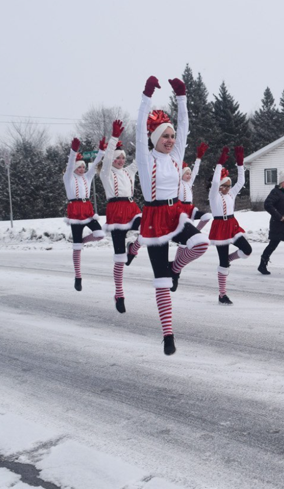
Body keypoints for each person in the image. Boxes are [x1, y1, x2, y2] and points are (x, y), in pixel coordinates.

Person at [135, 75, 209, 355]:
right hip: (154, 217)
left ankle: (175, 267)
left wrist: (182, 97)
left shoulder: (176, 157)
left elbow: (184, 127)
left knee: (200, 243)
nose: (170, 140)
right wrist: (146, 96)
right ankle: (168, 335)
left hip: (175, 213)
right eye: (164, 136)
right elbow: (139, 130)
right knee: (161, 282)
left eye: (171, 136)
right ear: (155, 138)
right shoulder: (146, 159)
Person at [100, 120, 142, 313]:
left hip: (131, 208)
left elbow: (140, 160)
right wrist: (114, 138)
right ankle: (119, 293)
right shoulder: (106, 173)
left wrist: (145, 139)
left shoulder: (128, 172)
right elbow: (107, 157)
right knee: (118, 257)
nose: (120, 160)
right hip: (116, 211)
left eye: (123, 158)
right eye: (118, 158)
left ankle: (133, 248)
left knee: (148, 228)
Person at [208, 146, 252, 305]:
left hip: (232, 225)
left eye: (228, 185)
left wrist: (240, 164)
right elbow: (214, 182)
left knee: (247, 250)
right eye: (224, 185)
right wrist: (219, 164)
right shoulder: (214, 196)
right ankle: (222, 294)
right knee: (223, 265)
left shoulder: (231, 194)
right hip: (220, 227)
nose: (227, 188)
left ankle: (228, 259)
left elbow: (241, 182)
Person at [64, 137, 106, 291]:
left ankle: (82, 241)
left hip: (87, 211)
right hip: (75, 212)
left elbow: (95, 166)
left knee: (100, 234)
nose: (82, 169)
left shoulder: (87, 177)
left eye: (83, 167)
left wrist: (101, 151)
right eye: (79, 167)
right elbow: (70, 166)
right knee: (76, 248)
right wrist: (73, 152)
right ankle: (78, 276)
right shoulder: (68, 178)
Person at [178, 142, 213, 231]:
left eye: (190, 174)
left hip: (190, 209)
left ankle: (197, 231)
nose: (189, 175)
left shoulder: (189, 183)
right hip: (179, 209)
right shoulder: (178, 183)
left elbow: (195, 171)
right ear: (181, 174)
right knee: (183, 230)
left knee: (207, 216)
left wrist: (198, 158)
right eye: (187, 173)